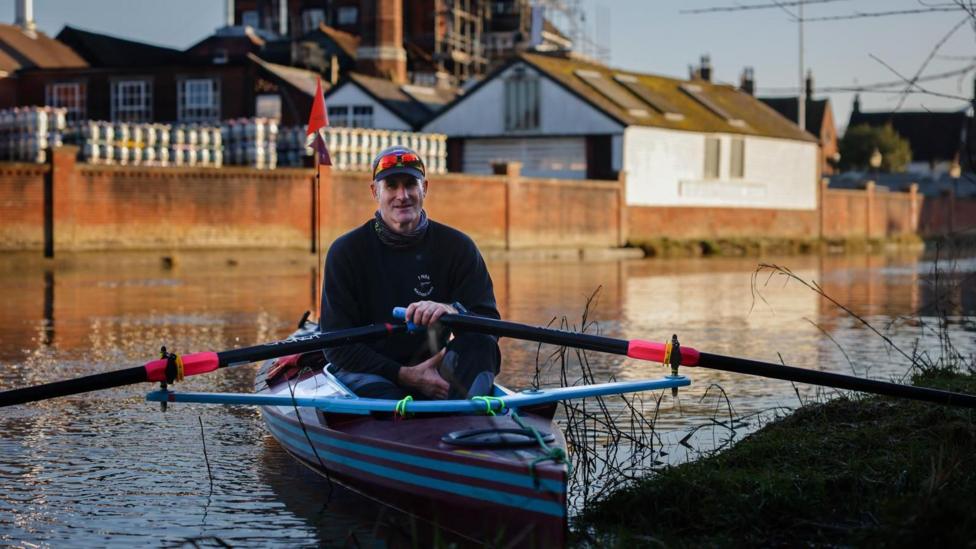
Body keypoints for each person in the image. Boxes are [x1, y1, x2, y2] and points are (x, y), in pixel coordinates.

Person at [319, 145, 501, 400]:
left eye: (410, 185)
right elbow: (335, 346)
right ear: (375, 191)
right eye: (391, 186)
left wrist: (452, 311)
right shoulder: (345, 252)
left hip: (436, 366)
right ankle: (416, 415)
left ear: (424, 188)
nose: (402, 195)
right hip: (373, 372)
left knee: (482, 344)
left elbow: (490, 324)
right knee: (383, 393)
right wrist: (403, 375)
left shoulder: (458, 247)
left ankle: (468, 413)